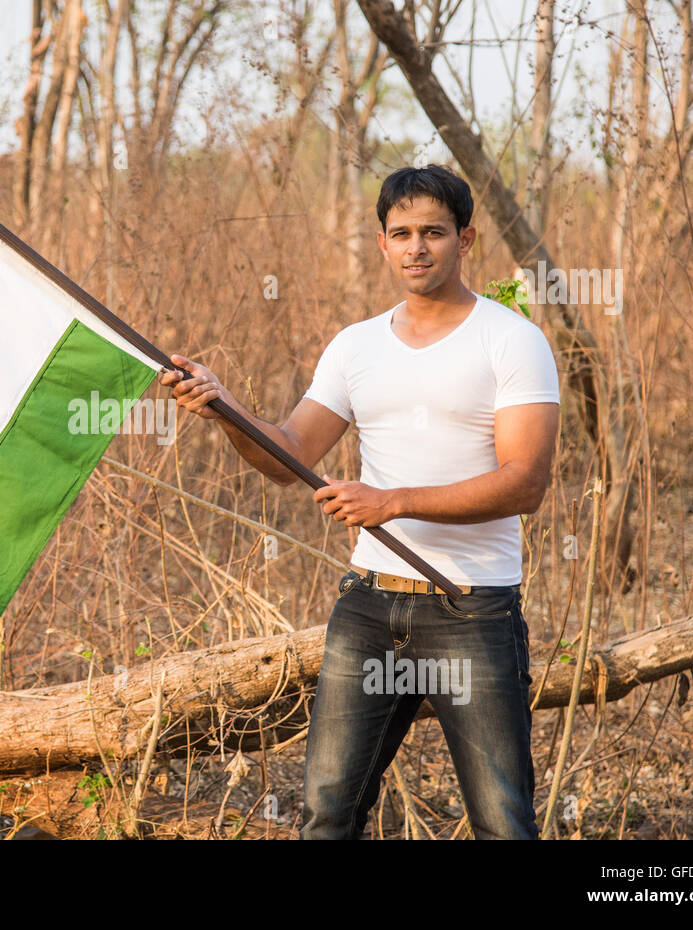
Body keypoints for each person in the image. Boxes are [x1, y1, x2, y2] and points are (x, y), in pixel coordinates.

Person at [158, 164, 560, 839]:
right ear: (381, 244)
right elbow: (289, 454)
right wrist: (224, 409)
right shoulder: (357, 345)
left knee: (502, 823)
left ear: (467, 240)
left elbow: (527, 482)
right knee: (327, 816)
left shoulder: (510, 338)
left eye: (433, 232)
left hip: (472, 607)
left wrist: (393, 501)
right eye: (400, 233)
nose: (416, 247)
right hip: (368, 606)